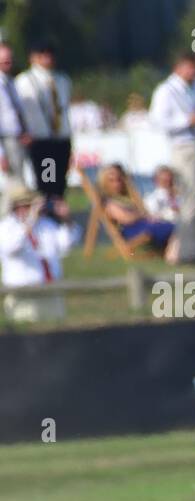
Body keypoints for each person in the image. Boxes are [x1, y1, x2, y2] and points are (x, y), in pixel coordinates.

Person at [149, 52, 195, 262]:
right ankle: (183, 250)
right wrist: (186, 120)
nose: (194, 72)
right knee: (189, 197)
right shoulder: (166, 90)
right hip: (182, 146)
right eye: (190, 67)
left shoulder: (193, 88)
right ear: (178, 67)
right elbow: (157, 120)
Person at [0, 183, 80, 321]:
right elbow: (12, 247)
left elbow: (67, 243)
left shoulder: (46, 224)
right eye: (26, 205)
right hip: (23, 293)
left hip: (50, 290)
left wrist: (66, 219)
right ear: (15, 207)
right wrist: (30, 222)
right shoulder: (6, 227)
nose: (30, 209)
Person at [14, 42, 71, 199]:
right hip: (43, 139)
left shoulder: (62, 79)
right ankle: (49, 209)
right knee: (48, 181)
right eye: (42, 54)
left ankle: (57, 208)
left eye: (49, 54)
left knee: (60, 181)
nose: (47, 58)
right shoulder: (26, 81)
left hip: (61, 137)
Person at [96, 163, 175, 253]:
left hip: (146, 226)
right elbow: (126, 218)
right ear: (104, 182)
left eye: (119, 180)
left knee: (176, 227)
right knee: (174, 228)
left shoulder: (128, 198)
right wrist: (143, 214)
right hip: (136, 230)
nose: (117, 183)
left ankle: (173, 254)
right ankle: (173, 256)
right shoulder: (109, 204)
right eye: (111, 181)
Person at [0, 44, 30, 188]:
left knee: (20, 181)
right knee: (14, 186)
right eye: (4, 60)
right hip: (6, 139)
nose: (8, 63)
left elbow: (17, 110)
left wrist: (25, 130)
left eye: (9, 59)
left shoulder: (10, 82)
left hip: (18, 137)